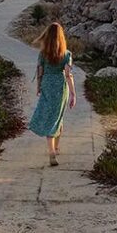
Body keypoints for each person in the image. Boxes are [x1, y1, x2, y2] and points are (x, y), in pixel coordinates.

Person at [29, 22, 76, 166]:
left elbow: (40, 72)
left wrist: (38, 87)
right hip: (60, 88)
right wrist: (73, 94)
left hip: (47, 85)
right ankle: (54, 149)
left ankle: (53, 150)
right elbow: (68, 75)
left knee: (50, 117)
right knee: (58, 117)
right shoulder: (66, 54)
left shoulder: (43, 54)